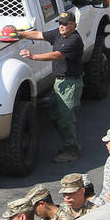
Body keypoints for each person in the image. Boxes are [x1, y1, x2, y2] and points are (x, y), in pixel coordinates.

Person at [16, 10, 84, 162]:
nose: (62, 26)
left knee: (66, 118)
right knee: (54, 113)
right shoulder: (59, 34)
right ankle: (68, 144)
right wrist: (20, 34)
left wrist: (33, 56)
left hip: (70, 84)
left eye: (65, 24)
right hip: (59, 83)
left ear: (73, 25)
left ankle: (71, 150)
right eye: (60, 23)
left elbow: (57, 55)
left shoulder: (74, 40)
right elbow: (39, 35)